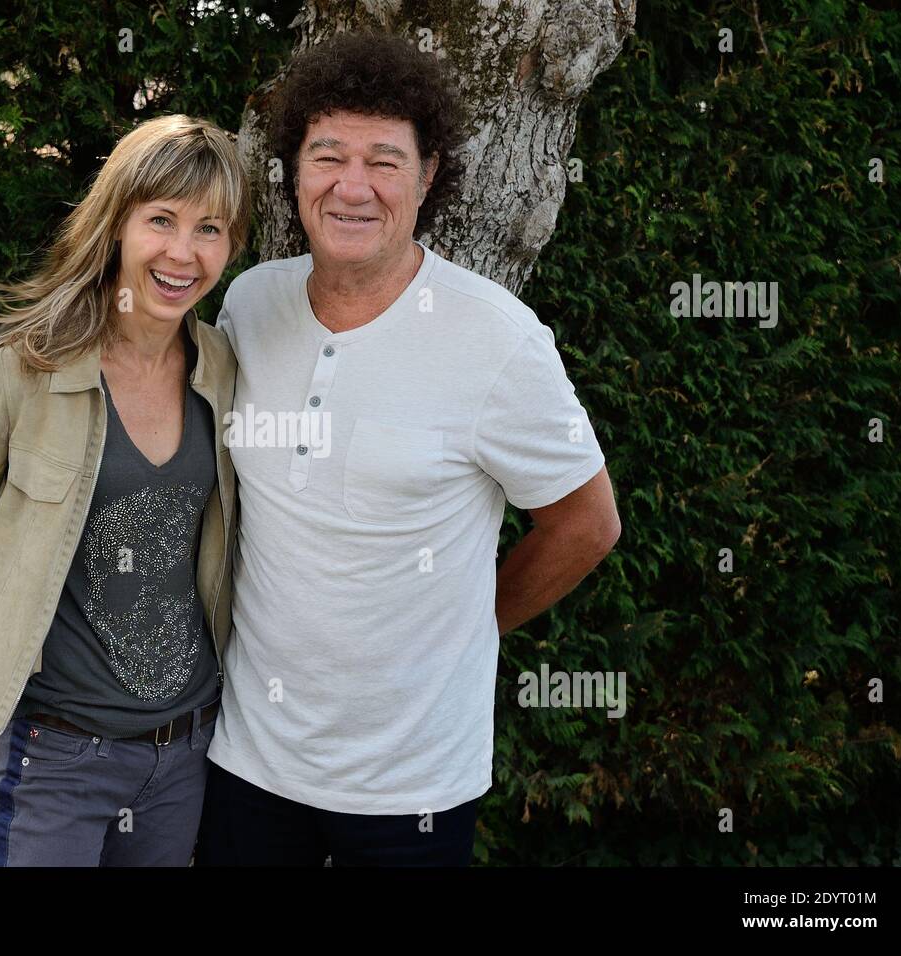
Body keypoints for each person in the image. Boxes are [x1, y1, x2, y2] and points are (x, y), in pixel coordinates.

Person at [195, 31, 622, 866]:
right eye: (328, 157)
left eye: (385, 162)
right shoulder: (249, 303)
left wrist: (474, 627)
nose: (353, 187)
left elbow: (587, 525)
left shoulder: (498, 341)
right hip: (248, 757)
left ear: (429, 177)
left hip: (411, 785)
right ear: (293, 171)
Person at [0, 114, 249, 865]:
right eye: (162, 220)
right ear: (116, 222)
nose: (184, 253)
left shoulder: (224, 369)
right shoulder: (30, 369)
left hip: (184, 757)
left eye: (210, 229)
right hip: (55, 757)